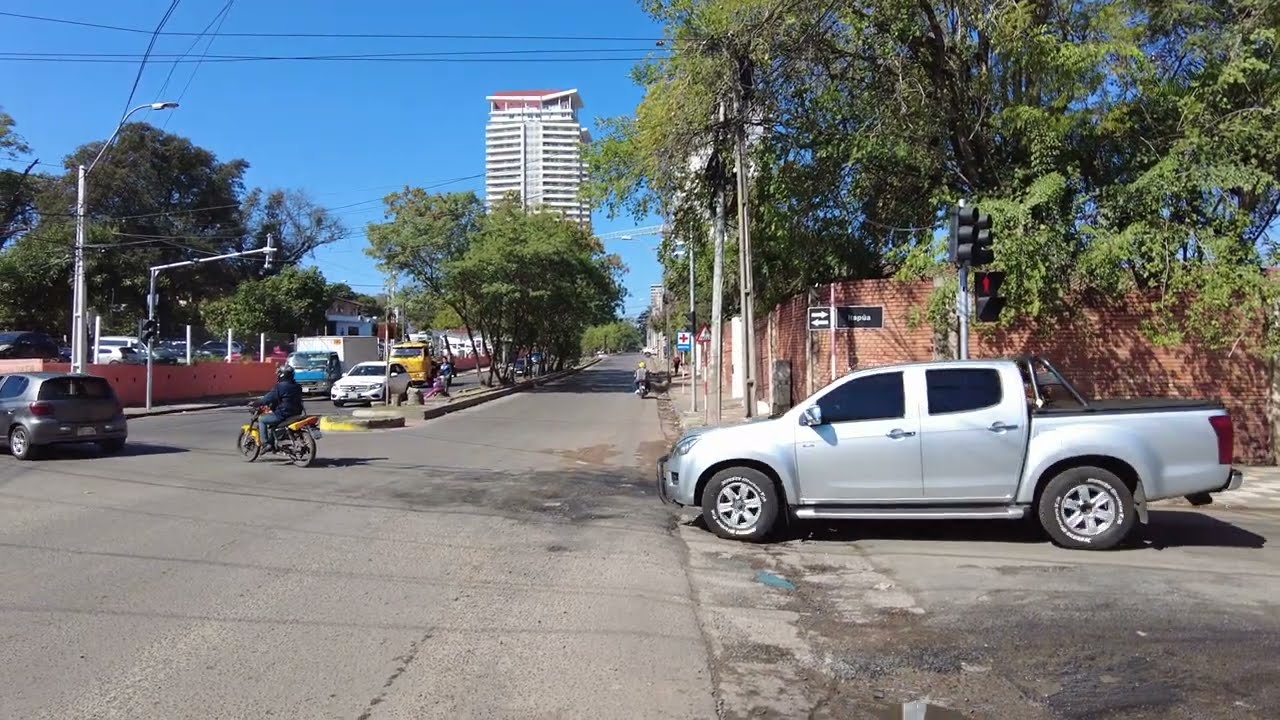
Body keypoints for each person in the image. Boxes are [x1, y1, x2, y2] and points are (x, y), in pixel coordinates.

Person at [256, 365, 305, 451]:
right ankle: (275, 440)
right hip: (296, 413)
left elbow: (269, 398)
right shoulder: (297, 386)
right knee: (272, 421)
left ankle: (266, 444)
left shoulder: (280, 387)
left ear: (282, 375)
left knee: (261, 419)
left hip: (283, 414)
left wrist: (258, 402)